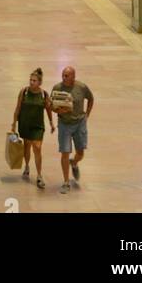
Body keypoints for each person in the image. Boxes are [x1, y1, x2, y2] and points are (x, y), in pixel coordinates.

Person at [50, 65, 94, 194]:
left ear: (74, 77)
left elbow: (91, 99)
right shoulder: (57, 88)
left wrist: (87, 114)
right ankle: (65, 182)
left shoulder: (81, 87)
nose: (64, 77)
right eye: (63, 75)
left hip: (79, 123)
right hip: (64, 124)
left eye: (67, 75)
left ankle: (74, 163)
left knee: (80, 152)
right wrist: (58, 110)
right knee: (65, 151)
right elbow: (51, 105)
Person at [11, 68, 55, 188]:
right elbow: (18, 108)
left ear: (39, 82)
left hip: (38, 126)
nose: (31, 82)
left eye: (34, 80)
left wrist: (51, 122)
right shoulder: (24, 92)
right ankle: (26, 166)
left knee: (38, 147)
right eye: (30, 80)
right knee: (27, 146)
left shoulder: (43, 94)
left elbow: (48, 109)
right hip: (25, 124)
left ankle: (39, 176)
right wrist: (14, 124)